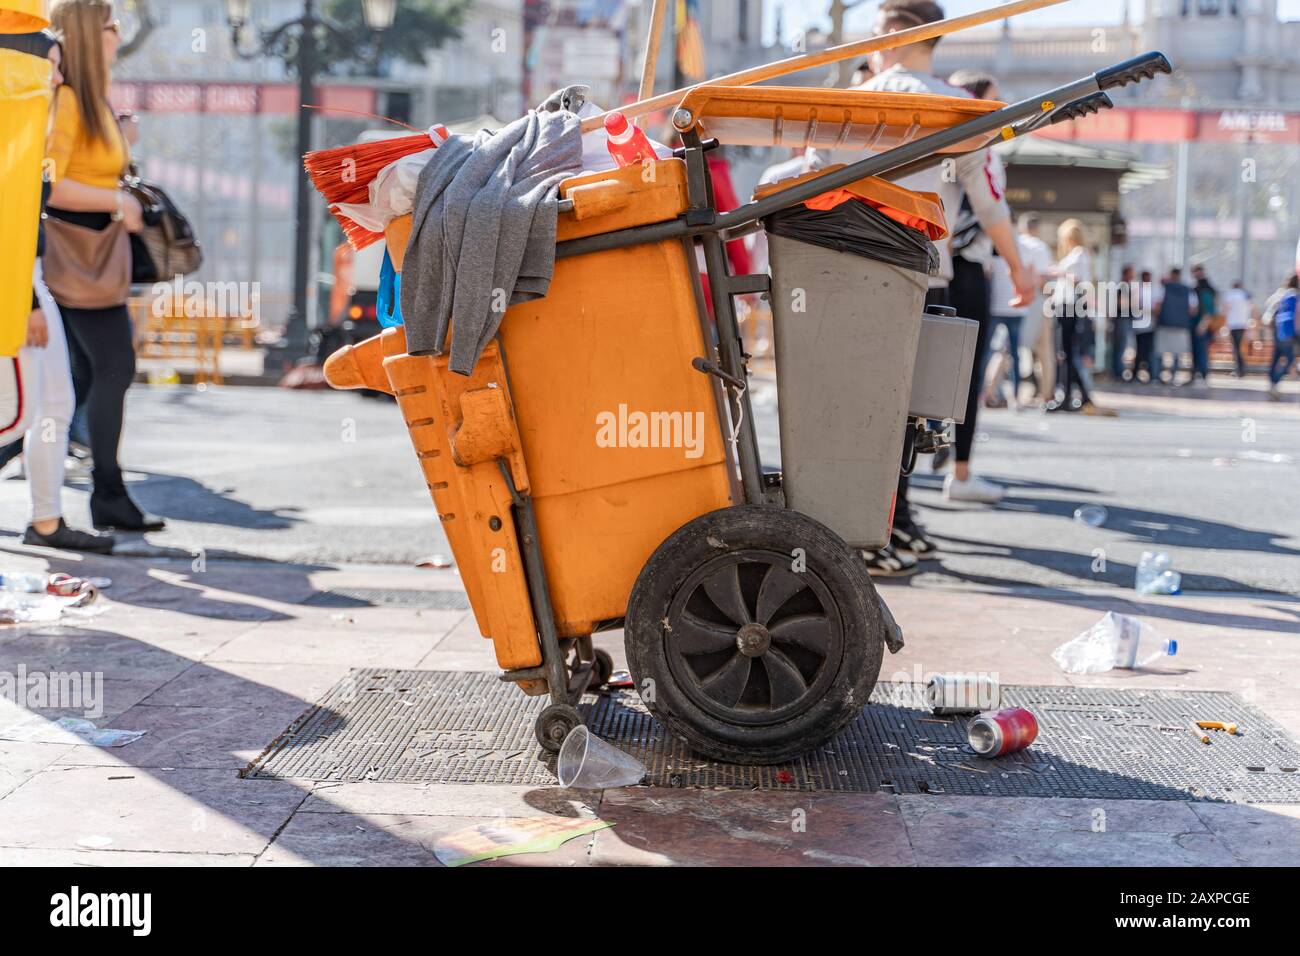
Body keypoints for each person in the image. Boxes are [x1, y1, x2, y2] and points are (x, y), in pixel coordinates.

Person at [838, 0, 1034, 578]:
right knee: (909, 406)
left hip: (855, 270)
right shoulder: (959, 108)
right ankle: (891, 519)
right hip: (927, 272)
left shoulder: (859, 100)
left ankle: (870, 525)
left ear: (896, 35)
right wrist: (1019, 270)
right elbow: (989, 203)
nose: (870, 47)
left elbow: (809, 173)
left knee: (863, 401)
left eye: (875, 35)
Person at [45, 0, 163, 532]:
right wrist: (119, 203)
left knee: (87, 377)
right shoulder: (68, 100)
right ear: (94, 35)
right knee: (112, 368)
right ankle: (109, 497)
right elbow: (50, 183)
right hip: (77, 262)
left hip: (93, 261)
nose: (119, 34)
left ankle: (108, 498)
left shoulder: (90, 100)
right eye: (113, 26)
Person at [0, 28, 114, 553]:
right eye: (52, 65)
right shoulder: (13, 128)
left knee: (51, 404)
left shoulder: (32, 129)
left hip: (29, 274)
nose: (60, 77)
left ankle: (46, 522)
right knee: (17, 412)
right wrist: (21, 301)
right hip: (15, 281)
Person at [1044, 220, 1110, 414]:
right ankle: (1080, 395)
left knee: (1065, 353)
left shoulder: (1079, 254)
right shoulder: (1078, 255)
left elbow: (1077, 279)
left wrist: (1057, 271)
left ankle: (1066, 396)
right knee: (1066, 354)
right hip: (1068, 306)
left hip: (1069, 306)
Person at [1153, 267, 1197, 384]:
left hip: (1164, 324)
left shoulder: (1163, 288)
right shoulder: (1188, 290)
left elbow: (1157, 306)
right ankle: (1174, 377)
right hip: (1182, 326)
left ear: (1171, 275)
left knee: (1160, 352)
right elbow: (1193, 310)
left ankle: (1157, 376)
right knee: (1178, 354)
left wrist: (1157, 318)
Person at [1266, 274, 1297, 401]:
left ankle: (1272, 382)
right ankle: (1275, 379)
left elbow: (1268, 304)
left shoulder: (1280, 293)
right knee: (1289, 359)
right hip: (1288, 330)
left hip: (1277, 329)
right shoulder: (1295, 295)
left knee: (1276, 356)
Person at [1190, 264, 1218, 384]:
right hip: (1198, 325)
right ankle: (1198, 374)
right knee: (1197, 350)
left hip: (1202, 326)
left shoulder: (1205, 289)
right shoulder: (1199, 288)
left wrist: (1203, 324)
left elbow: (1209, 310)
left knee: (1201, 350)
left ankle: (1202, 374)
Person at [1220, 280, 1254, 377]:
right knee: (1240, 347)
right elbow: (1251, 308)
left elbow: (1225, 309)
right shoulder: (1245, 295)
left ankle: (1240, 369)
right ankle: (1241, 368)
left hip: (1233, 324)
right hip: (1243, 324)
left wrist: (1224, 324)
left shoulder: (1230, 295)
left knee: (1236, 347)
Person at [1110, 264, 1137, 380]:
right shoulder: (1122, 286)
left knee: (1123, 346)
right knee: (1120, 346)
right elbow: (1119, 302)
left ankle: (1118, 370)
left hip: (1125, 319)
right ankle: (1118, 371)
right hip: (1122, 319)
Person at [1133, 269, 1156, 382]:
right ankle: (1137, 372)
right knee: (1141, 350)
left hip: (1150, 325)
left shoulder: (1153, 290)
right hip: (1140, 325)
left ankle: (1150, 372)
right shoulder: (1139, 290)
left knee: (1149, 350)